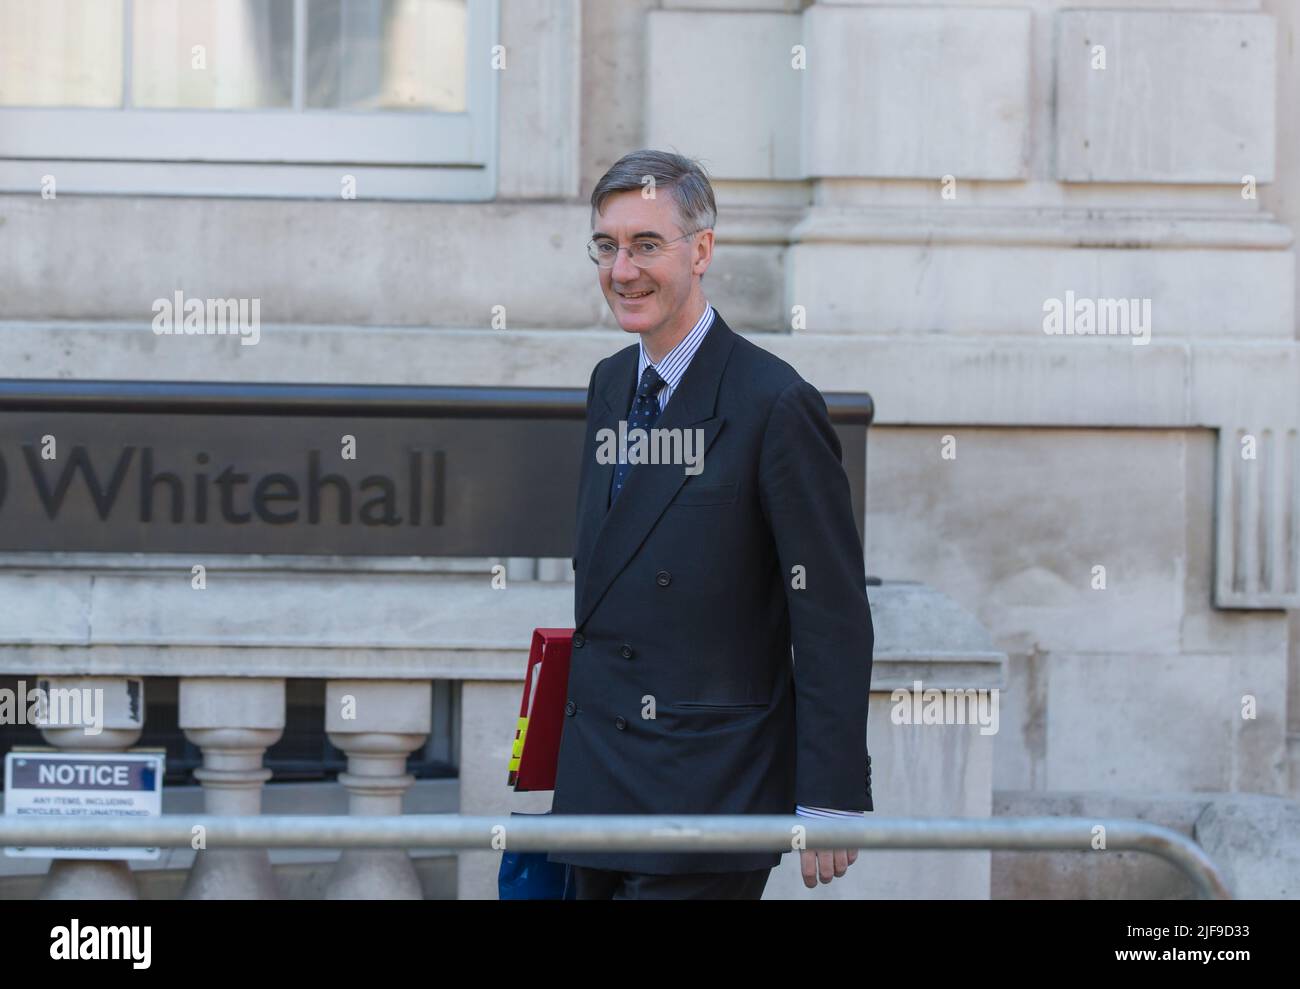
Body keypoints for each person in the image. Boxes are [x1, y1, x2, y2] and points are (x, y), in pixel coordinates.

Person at [547, 149, 874, 900]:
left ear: (702, 249)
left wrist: (829, 792)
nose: (622, 269)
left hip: (708, 795)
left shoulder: (775, 403)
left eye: (646, 245)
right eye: (607, 245)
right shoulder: (608, 385)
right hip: (596, 786)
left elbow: (829, 612)